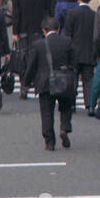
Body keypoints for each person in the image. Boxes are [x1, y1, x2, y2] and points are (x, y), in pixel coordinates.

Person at [22, 16, 75, 150]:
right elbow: (74, 63)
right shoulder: (67, 42)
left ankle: (49, 141)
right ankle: (64, 128)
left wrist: (26, 82)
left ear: (44, 31)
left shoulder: (38, 45)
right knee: (66, 106)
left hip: (45, 81)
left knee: (46, 112)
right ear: (58, 29)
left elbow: (31, 65)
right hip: (64, 80)